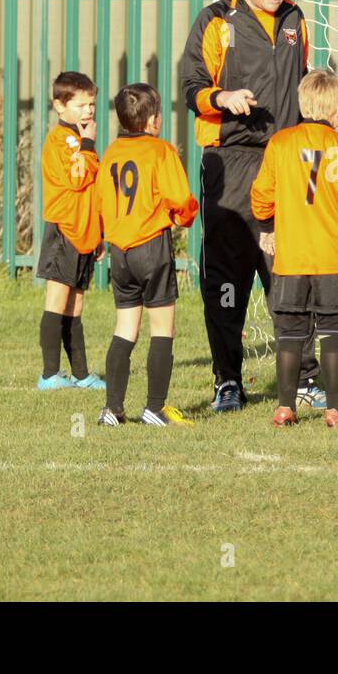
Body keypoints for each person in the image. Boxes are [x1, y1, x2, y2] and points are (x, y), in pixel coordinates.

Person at [181, 0, 322, 413]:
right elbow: (190, 86)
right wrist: (221, 99)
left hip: (283, 159)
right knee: (227, 276)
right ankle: (228, 382)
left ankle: (303, 378)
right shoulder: (216, 20)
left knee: (288, 268)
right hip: (231, 160)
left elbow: (300, 82)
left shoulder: (295, 19)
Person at [250, 70, 338, 427]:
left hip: (291, 257)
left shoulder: (280, 143)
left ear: (304, 105)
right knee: (331, 333)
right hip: (332, 257)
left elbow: (262, 194)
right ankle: (336, 409)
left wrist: (265, 227)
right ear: (336, 112)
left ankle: (285, 407)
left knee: (289, 334)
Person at [94, 84, 198, 427]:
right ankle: (154, 408)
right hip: (152, 246)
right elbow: (180, 199)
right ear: (153, 120)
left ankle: (112, 409)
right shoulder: (161, 151)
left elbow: (102, 202)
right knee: (162, 330)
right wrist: (184, 217)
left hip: (119, 253)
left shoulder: (109, 153)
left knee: (125, 328)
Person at [35, 71, 106, 392]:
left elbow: (94, 189)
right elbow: (78, 177)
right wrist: (89, 143)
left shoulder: (80, 140)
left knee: (76, 306)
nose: (88, 111)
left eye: (91, 104)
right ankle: (49, 374)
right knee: (57, 300)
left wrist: (100, 231)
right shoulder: (61, 141)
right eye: (80, 105)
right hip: (65, 230)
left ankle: (80, 374)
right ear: (59, 106)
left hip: (85, 233)